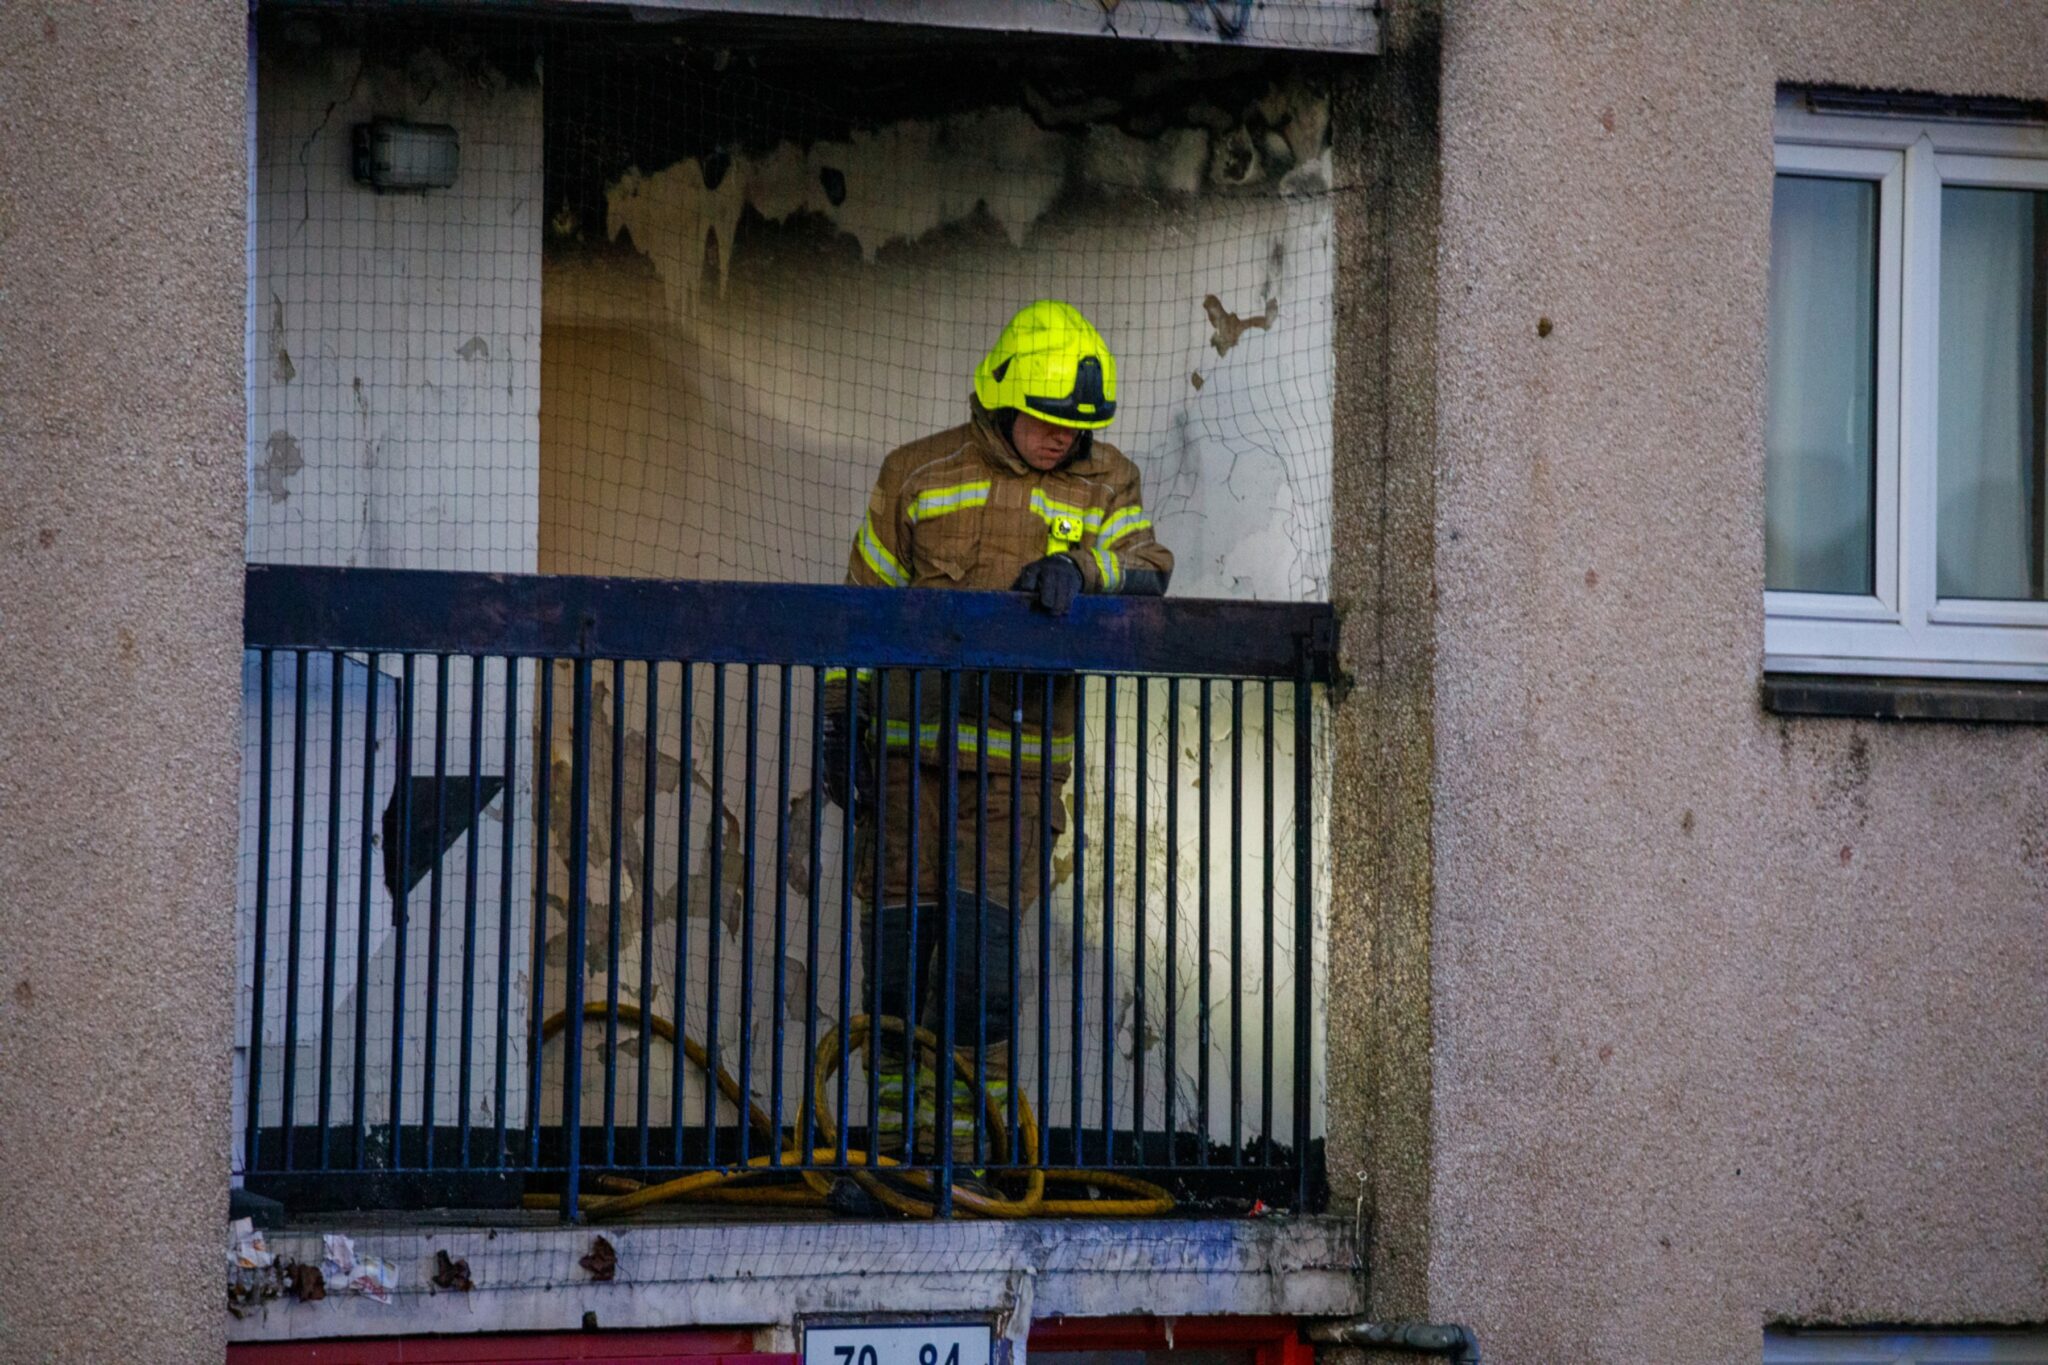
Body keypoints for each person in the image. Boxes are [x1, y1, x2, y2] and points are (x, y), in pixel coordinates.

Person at [821, 299, 1173, 1161]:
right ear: (1000, 395)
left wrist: (1081, 568)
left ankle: (971, 1156)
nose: (1062, 439)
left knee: (979, 968)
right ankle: (906, 1152)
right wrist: (842, 720)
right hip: (907, 761)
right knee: (899, 960)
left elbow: (1152, 568)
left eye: (1075, 427)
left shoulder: (1107, 481)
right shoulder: (916, 472)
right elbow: (858, 607)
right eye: (1047, 421)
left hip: (1016, 771)